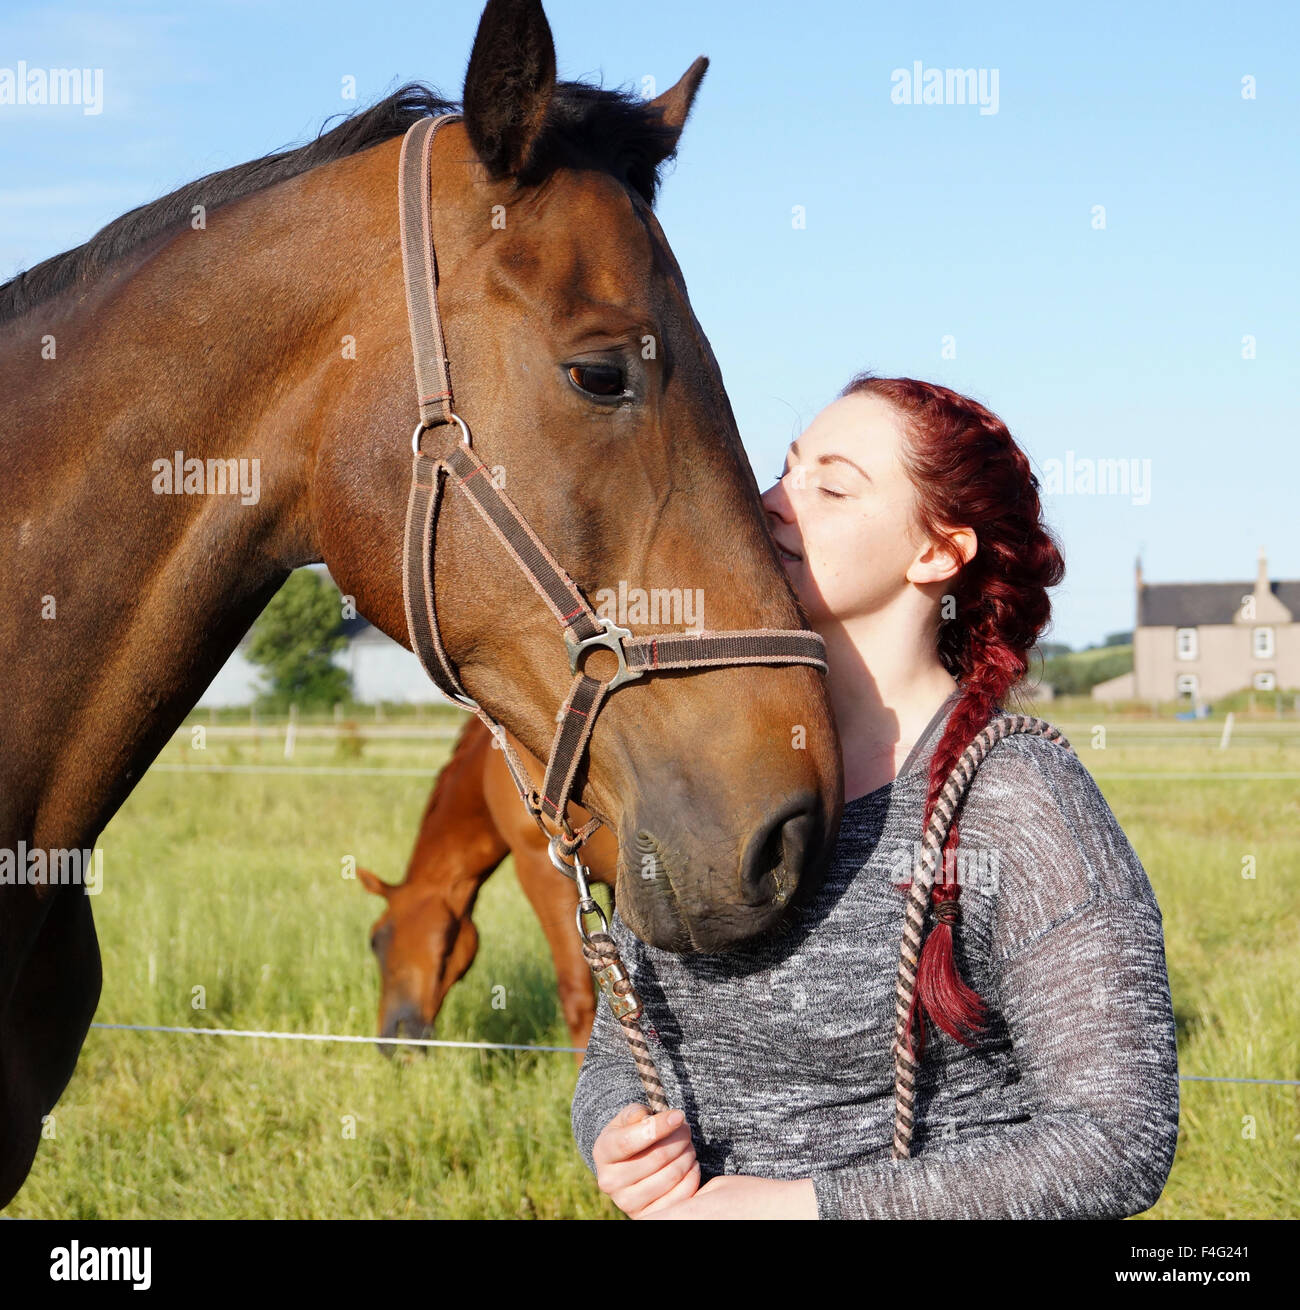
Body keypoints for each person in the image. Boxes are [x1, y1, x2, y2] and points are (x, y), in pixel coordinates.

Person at [570, 373, 1181, 1219]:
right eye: (785, 471)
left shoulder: (1014, 796)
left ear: (937, 553)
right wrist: (614, 1131)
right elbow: (620, 1045)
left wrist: (801, 1208)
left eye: (833, 486)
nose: (773, 502)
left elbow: (1118, 1139)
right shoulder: (700, 766)